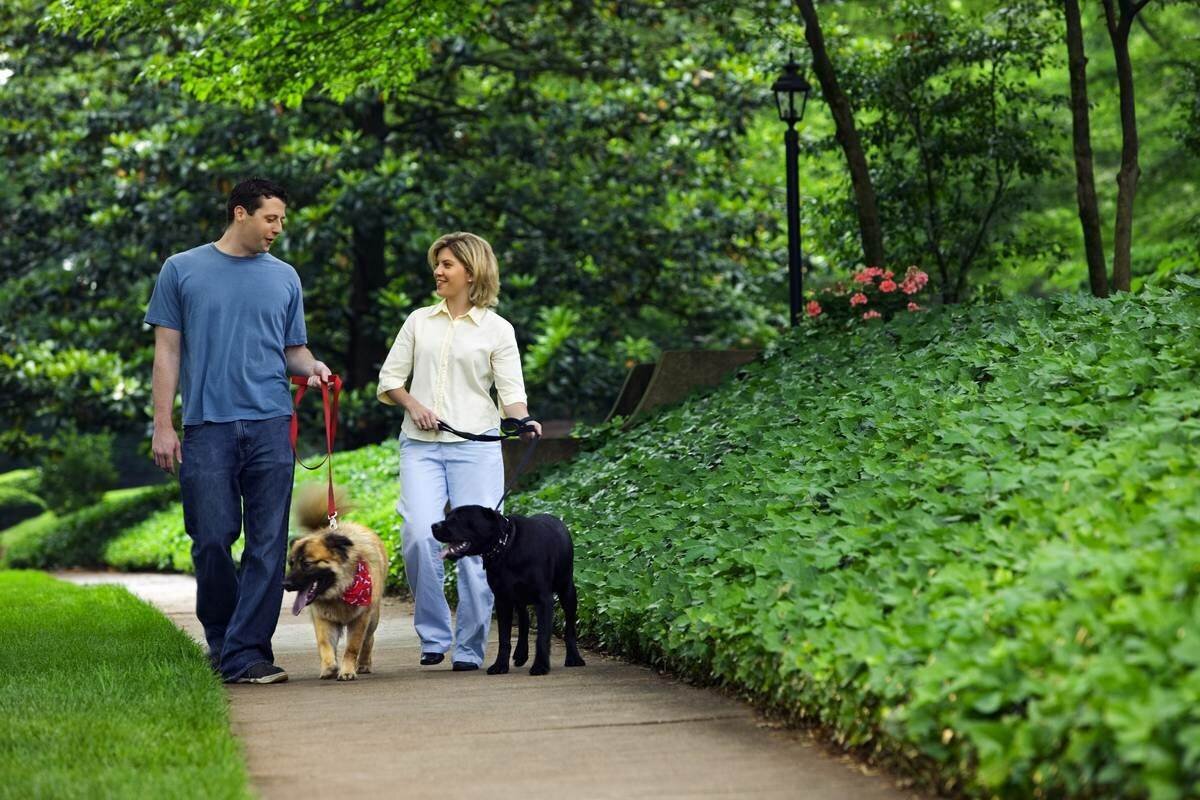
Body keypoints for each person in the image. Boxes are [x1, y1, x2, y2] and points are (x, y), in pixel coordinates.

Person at [147, 177, 331, 684]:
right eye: (271, 218)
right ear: (240, 213)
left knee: (267, 544)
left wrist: (311, 367)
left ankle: (248, 652)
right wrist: (163, 426)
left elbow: (292, 348)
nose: (278, 228)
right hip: (208, 427)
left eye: (282, 220)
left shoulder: (285, 277)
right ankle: (224, 640)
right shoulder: (182, 270)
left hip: (272, 424)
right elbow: (167, 351)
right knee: (210, 539)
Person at [377, 231, 541, 671]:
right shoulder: (418, 321)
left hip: (475, 448)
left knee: (480, 548)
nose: (439, 271)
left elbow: (511, 394)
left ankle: (469, 649)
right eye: (438, 263)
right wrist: (415, 405)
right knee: (416, 534)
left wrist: (522, 420)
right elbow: (389, 381)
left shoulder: (498, 330)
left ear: (472, 271)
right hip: (421, 446)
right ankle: (433, 636)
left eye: (448, 264)